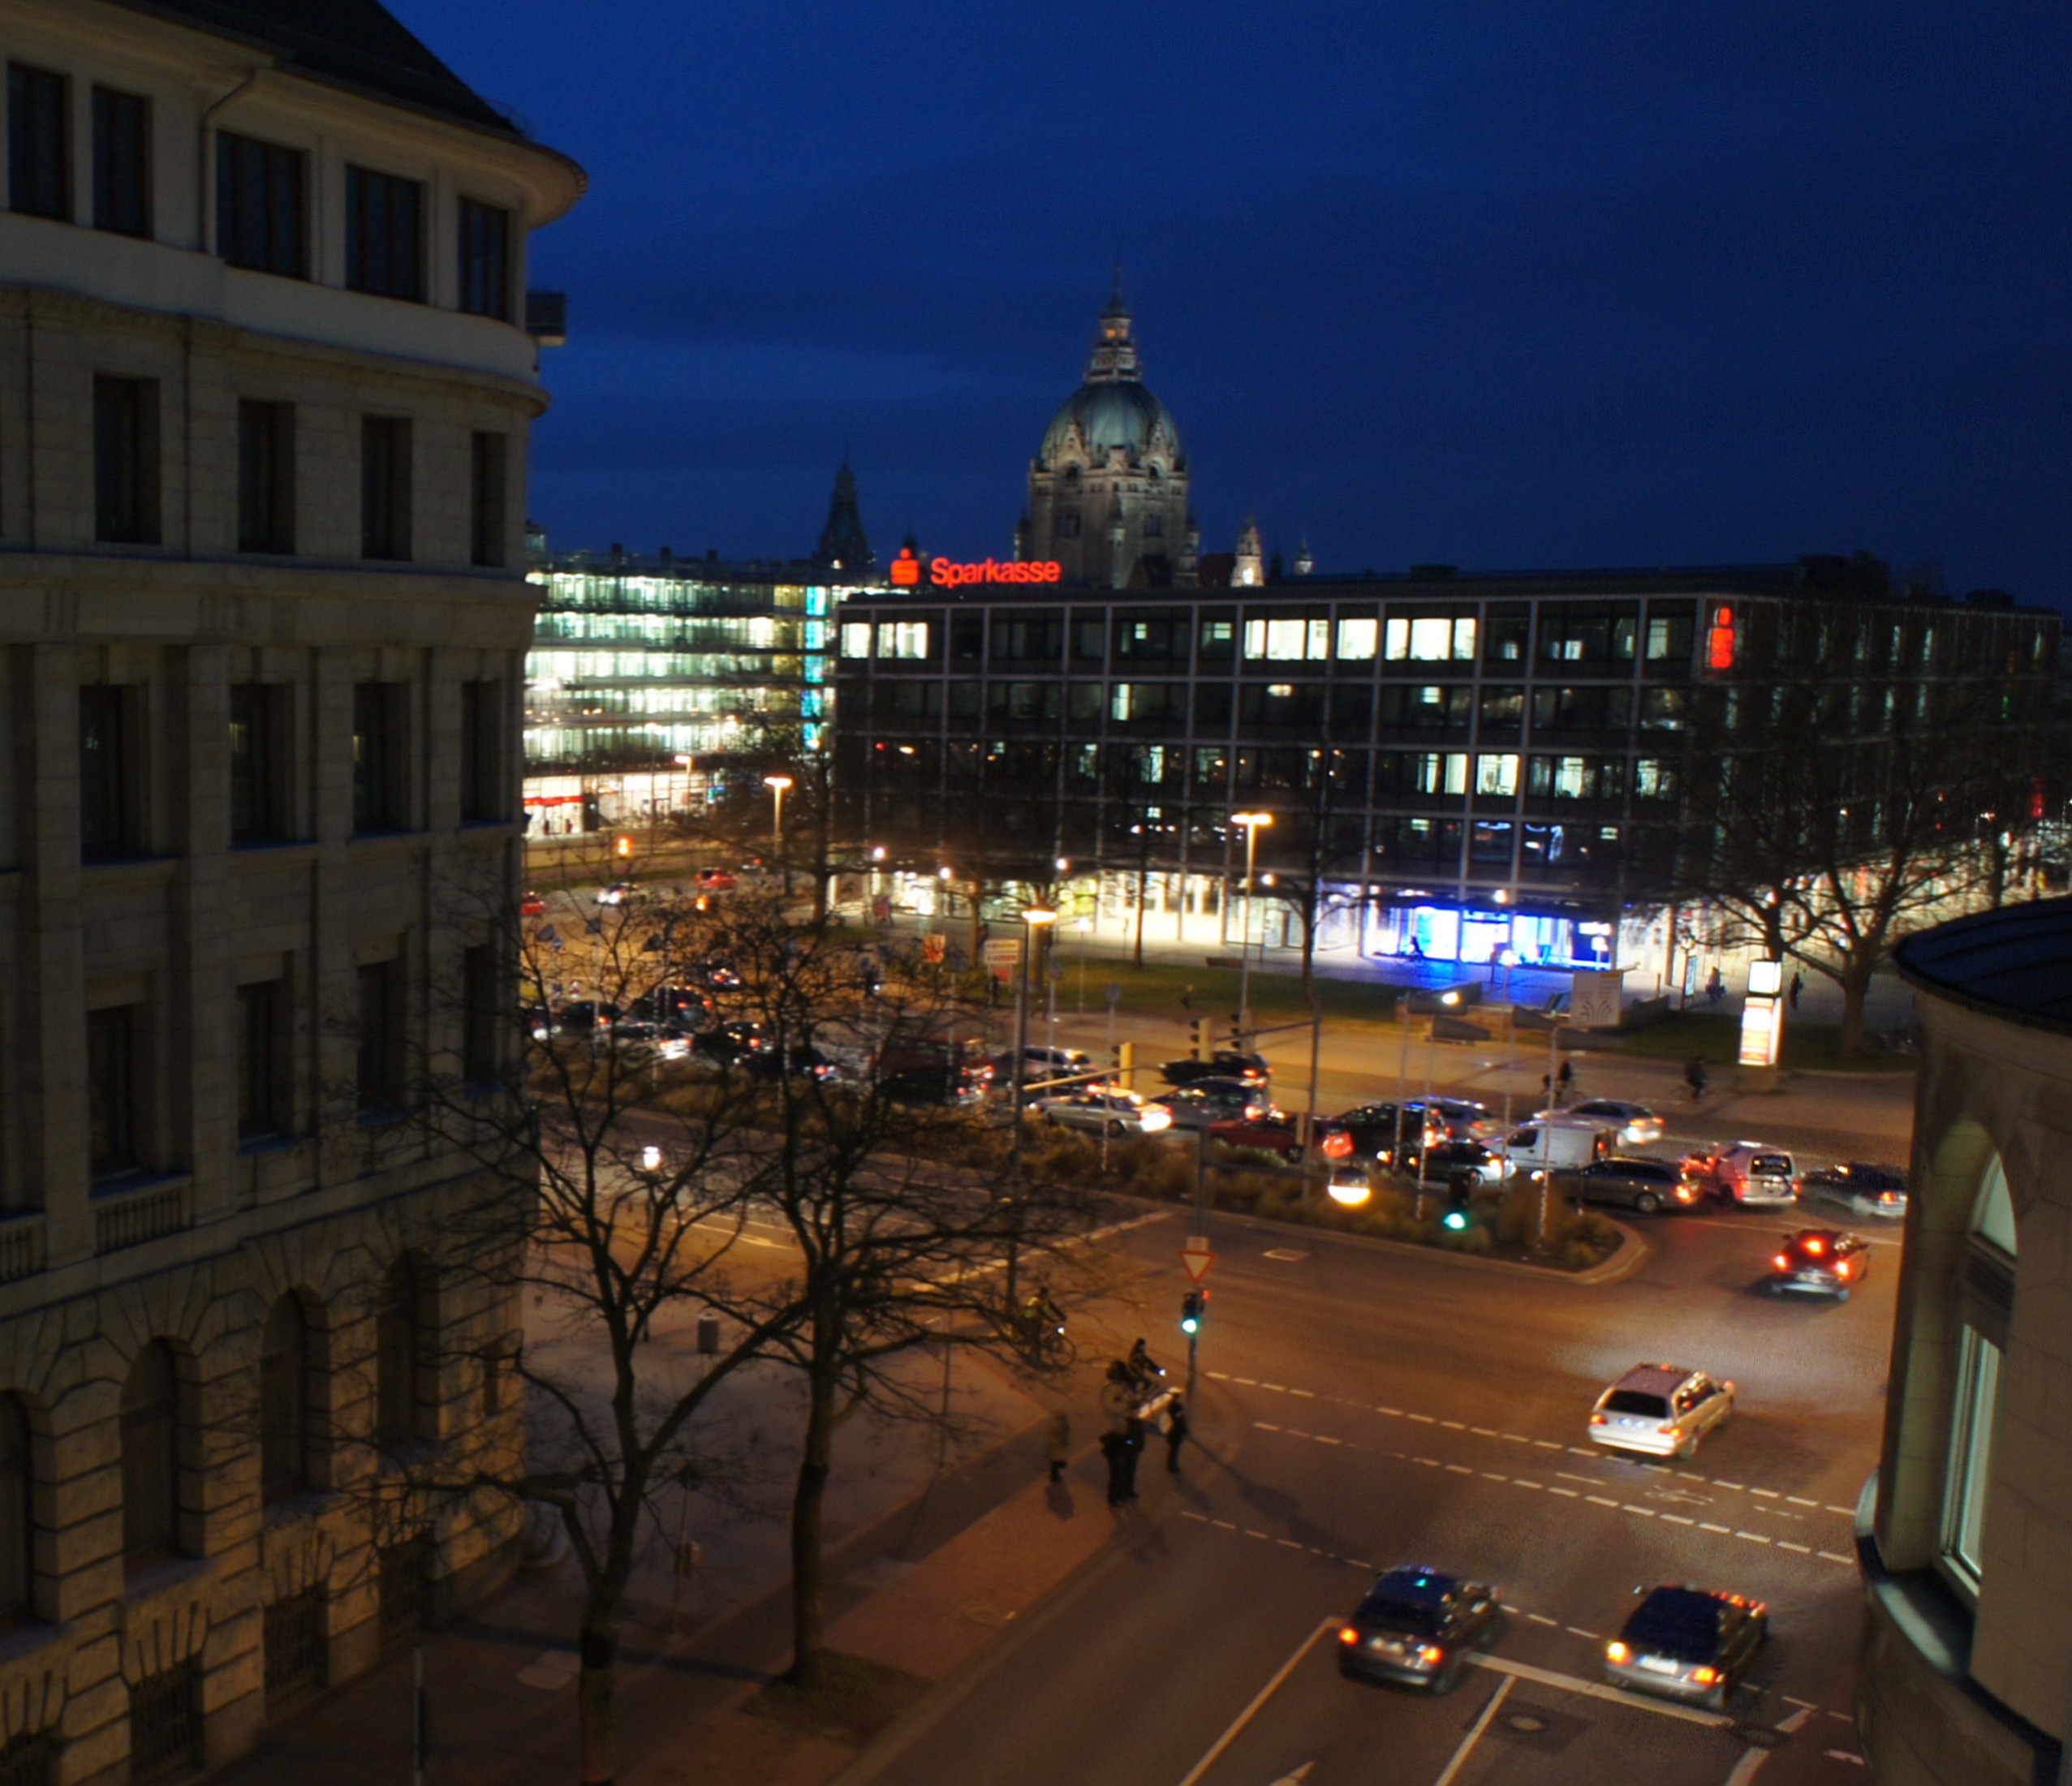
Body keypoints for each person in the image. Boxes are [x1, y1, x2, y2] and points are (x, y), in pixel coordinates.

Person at [1098, 1427, 1131, 1507]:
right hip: (1116, 1460)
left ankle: (1118, 1496)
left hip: (1116, 1458)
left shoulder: (1116, 1435)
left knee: (1119, 1477)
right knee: (1116, 1479)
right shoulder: (1117, 1437)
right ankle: (1113, 1499)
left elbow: (1102, 1439)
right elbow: (1128, 1443)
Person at [1118, 1419, 1146, 1500]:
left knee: (1130, 1472)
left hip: (1132, 1452)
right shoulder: (1132, 1429)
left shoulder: (1134, 1428)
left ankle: (1127, 1491)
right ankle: (1126, 1492)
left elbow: (1139, 1439)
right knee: (1128, 1472)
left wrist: (1135, 1445)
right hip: (1131, 1453)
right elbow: (1129, 1441)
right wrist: (1135, 1445)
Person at [1045, 1410, 1071, 1484]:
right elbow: (1064, 1435)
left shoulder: (1055, 1424)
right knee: (1057, 1461)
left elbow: (1050, 1434)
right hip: (1057, 1446)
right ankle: (1055, 1475)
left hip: (1055, 1446)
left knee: (1055, 1461)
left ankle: (1054, 1475)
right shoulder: (1063, 1425)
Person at [1164, 1398, 1189, 1472]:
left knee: (1173, 1450)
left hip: (1172, 1433)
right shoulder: (1177, 1413)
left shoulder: (1170, 1411)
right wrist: (1184, 1430)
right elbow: (1180, 1422)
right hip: (1176, 1434)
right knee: (1174, 1451)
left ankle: (1171, 1466)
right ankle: (1172, 1467)